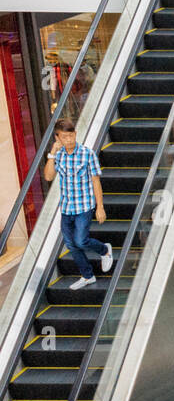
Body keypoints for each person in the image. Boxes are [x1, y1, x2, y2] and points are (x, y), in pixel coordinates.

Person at [44, 118, 112, 291]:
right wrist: (52, 153)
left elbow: (96, 182)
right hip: (67, 208)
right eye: (64, 137)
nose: (69, 140)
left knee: (81, 241)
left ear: (75, 134)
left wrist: (100, 207)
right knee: (71, 245)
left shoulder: (87, 154)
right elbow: (48, 177)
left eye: (71, 135)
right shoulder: (58, 156)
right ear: (58, 138)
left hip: (84, 207)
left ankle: (104, 250)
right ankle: (87, 275)